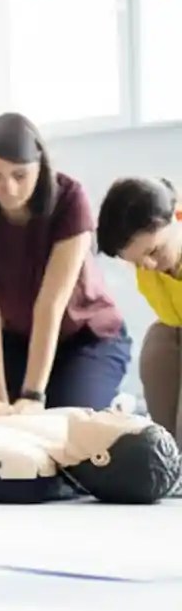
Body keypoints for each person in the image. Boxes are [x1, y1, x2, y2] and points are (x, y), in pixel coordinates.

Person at [0, 113, 130, 412]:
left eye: (19, 175)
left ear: (40, 165)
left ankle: (117, 408)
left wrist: (32, 396)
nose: (8, 188)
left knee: (63, 420)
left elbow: (51, 304)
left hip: (85, 336)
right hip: (18, 339)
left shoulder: (70, 199)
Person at [95, 176, 182, 438]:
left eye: (154, 252)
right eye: (136, 261)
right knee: (158, 345)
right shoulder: (148, 264)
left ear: (178, 215)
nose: (149, 266)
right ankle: (170, 459)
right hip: (174, 326)